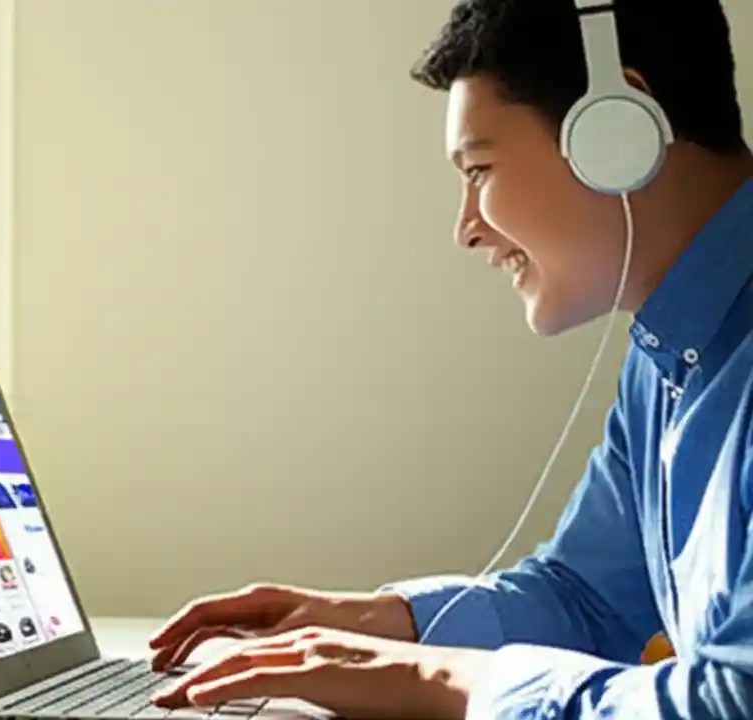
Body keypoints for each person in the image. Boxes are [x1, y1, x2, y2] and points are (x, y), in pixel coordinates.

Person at [149, 1, 753, 718]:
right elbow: (588, 598)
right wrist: (367, 625)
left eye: (479, 168)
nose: (467, 229)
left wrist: (434, 680)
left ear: (618, 129)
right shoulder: (665, 365)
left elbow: (734, 702)